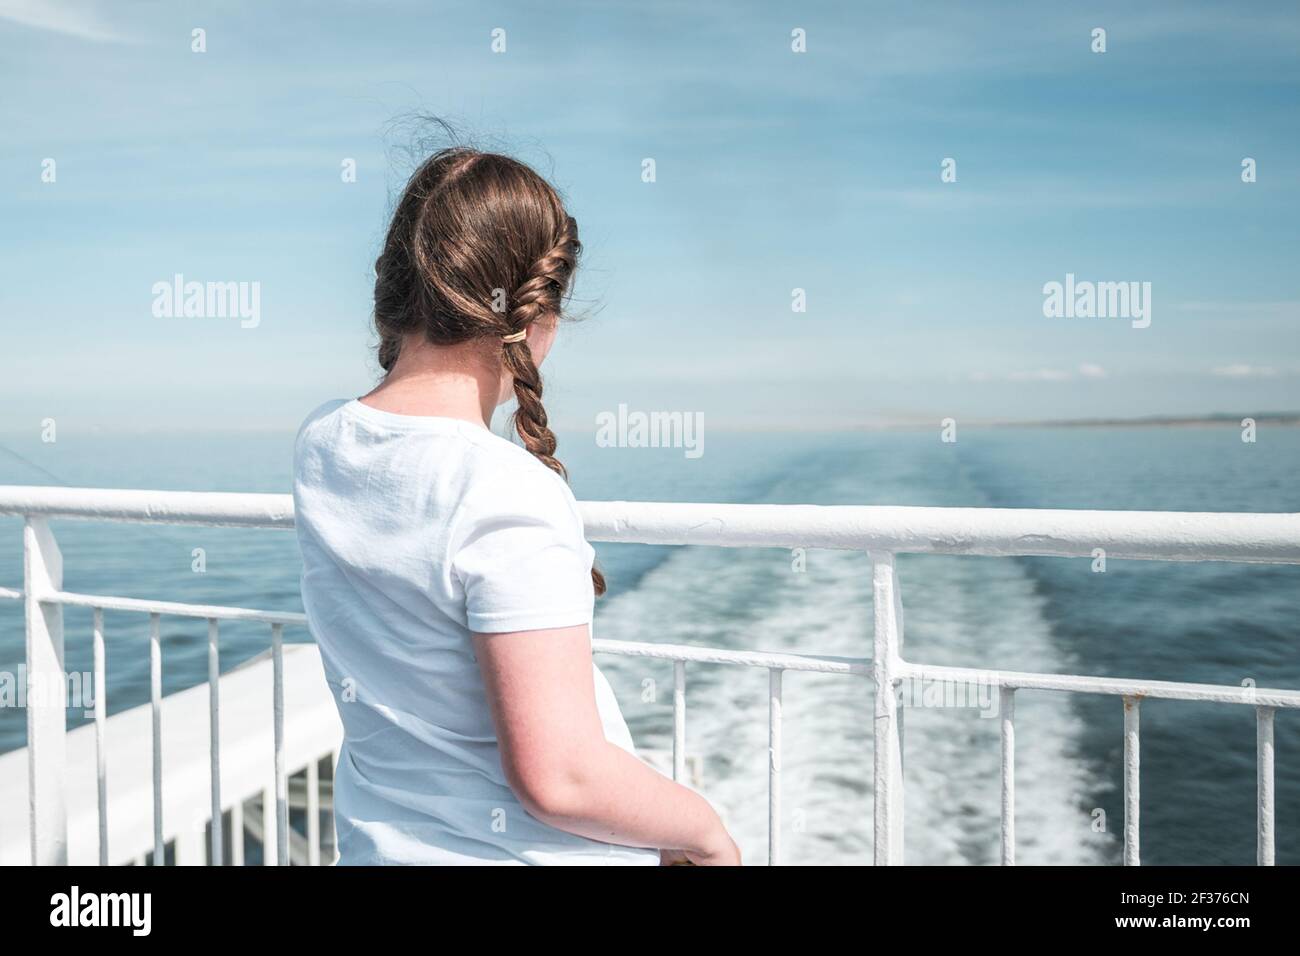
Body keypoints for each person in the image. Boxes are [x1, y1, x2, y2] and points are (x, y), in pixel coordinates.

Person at [293, 147, 740, 865]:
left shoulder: (322, 442)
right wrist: (702, 829)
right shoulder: (502, 490)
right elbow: (560, 778)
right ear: (539, 318)